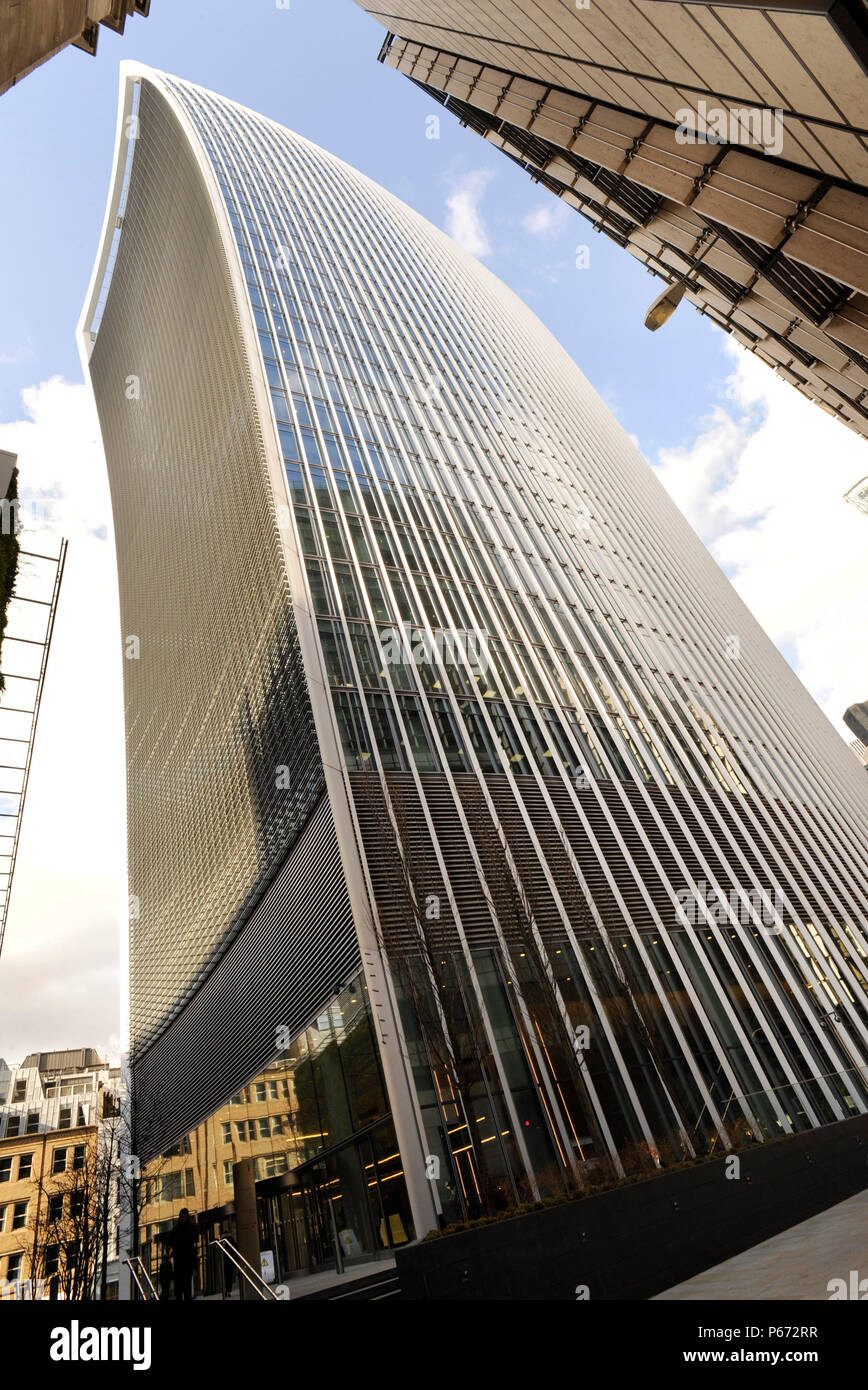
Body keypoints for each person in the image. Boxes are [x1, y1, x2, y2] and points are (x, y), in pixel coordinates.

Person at [169, 1208, 197, 1301]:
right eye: (182, 1217)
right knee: (181, 1286)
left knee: (185, 1285)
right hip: (181, 1260)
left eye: (184, 1217)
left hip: (185, 1260)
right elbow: (171, 1241)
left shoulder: (186, 1228)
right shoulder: (178, 1229)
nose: (182, 1218)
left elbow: (194, 1239)